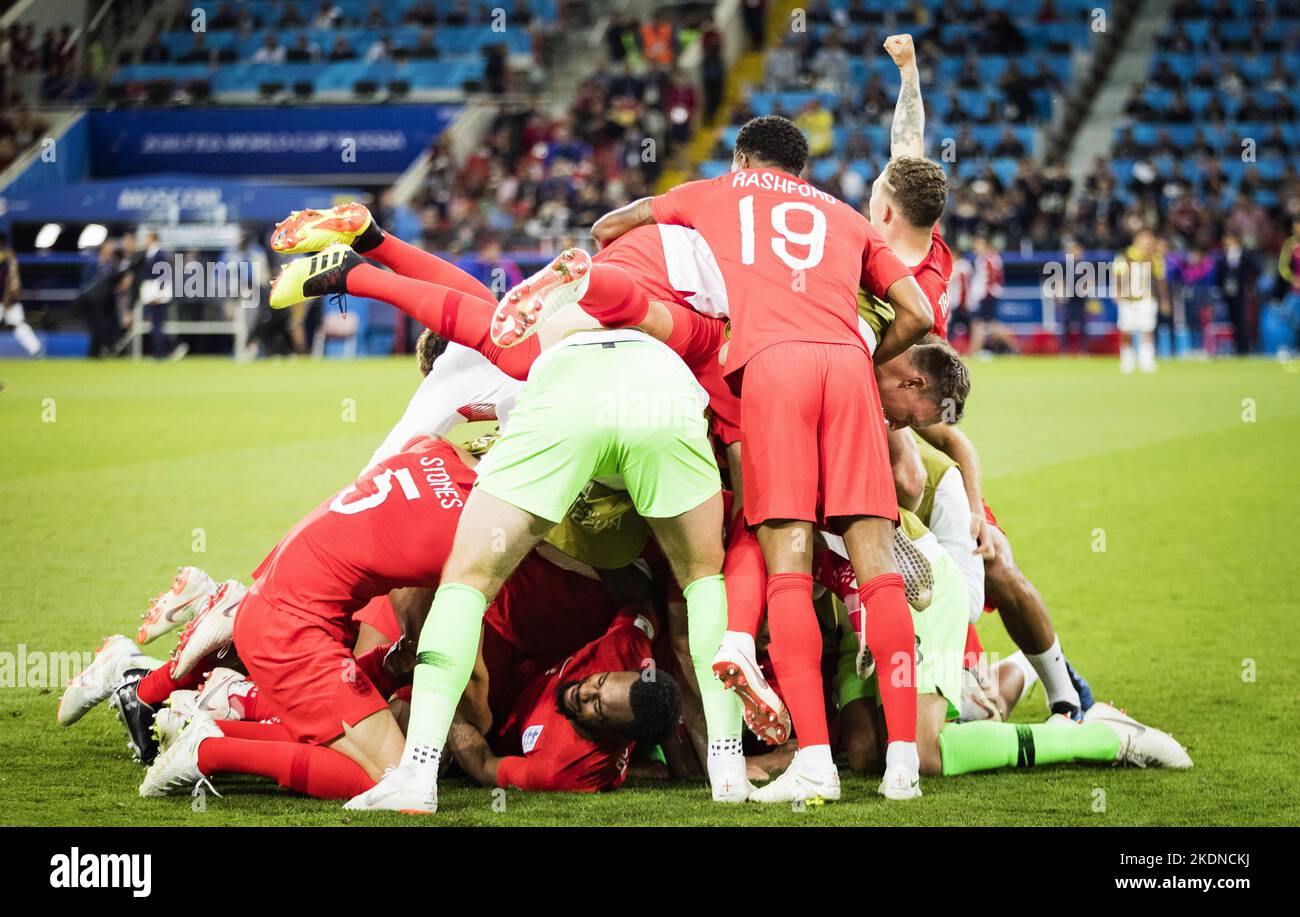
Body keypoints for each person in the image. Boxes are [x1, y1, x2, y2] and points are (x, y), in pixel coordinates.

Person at [579, 113, 937, 802]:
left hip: (773, 367)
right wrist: (868, 354)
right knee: (880, 569)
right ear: (799, 170)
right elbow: (918, 312)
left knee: (788, 570)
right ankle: (902, 765)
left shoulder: (716, 190)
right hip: (847, 364)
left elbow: (608, 228)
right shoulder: (844, 215)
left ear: (744, 160)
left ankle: (816, 763)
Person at [0, 230, 42, 357]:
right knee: (17, 324)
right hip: (7, 299)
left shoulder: (6, 256)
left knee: (17, 324)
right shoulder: (8, 256)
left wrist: (6, 300)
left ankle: (36, 350)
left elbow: (10, 280)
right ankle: (36, 350)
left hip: (5, 299)